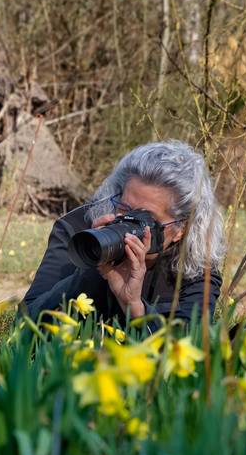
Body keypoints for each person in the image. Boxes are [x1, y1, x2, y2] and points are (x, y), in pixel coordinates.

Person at [23, 140, 226, 327]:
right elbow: (25, 323)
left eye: (146, 218)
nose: (129, 223)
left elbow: (188, 343)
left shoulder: (196, 261)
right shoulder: (77, 231)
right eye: (124, 209)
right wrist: (94, 263)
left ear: (181, 228)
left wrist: (134, 307)